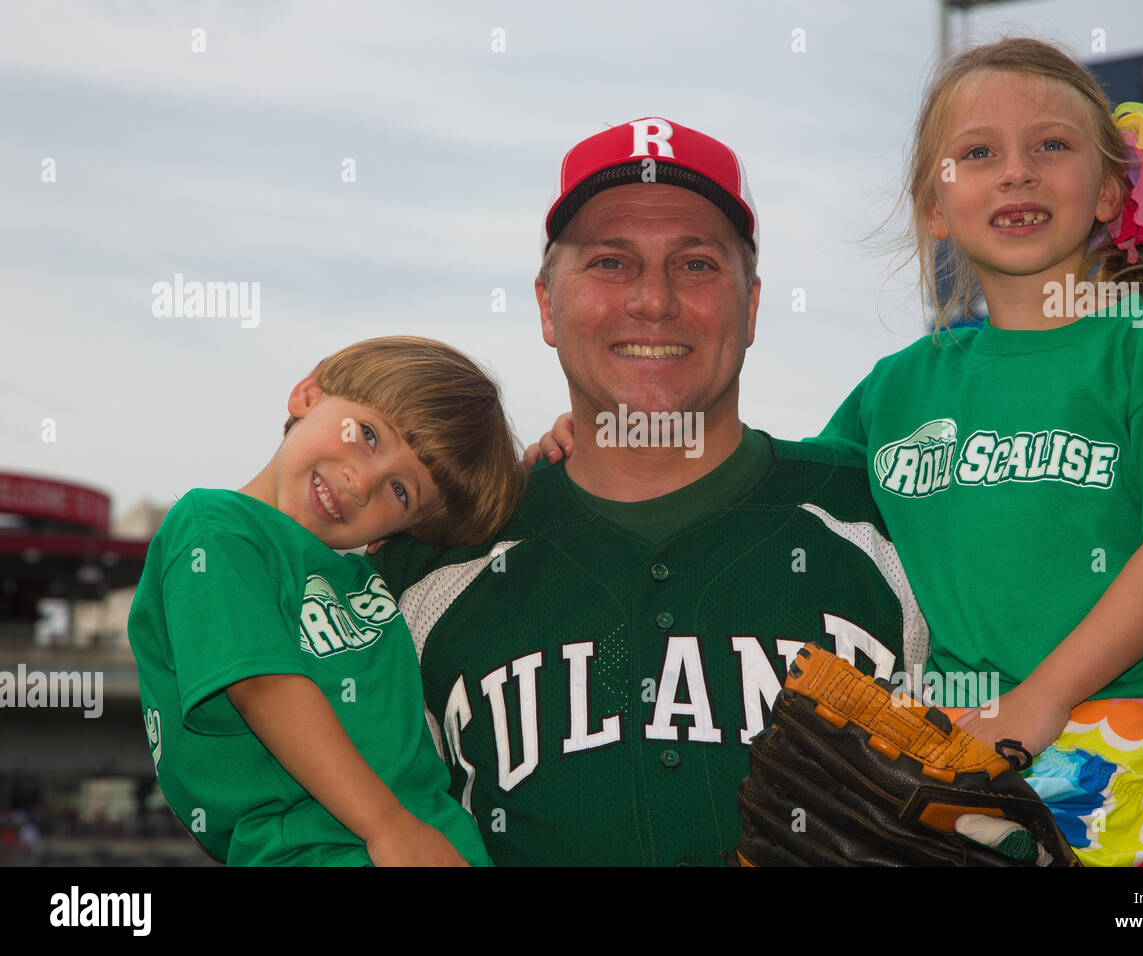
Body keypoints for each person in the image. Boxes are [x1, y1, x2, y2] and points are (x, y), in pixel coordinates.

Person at [371, 117, 929, 866]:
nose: (654, 301)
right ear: (545, 304)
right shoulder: (429, 564)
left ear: (753, 305)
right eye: (610, 262)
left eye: (696, 264)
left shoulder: (890, 520)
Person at [814, 40, 1143, 866]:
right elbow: (786, 503)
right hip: (956, 741)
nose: (1017, 171)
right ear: (933, 206)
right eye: (978, 153)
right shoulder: (896, 389)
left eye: (1051, 145)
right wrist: (595, 449)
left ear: (1107, 191)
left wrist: (1041, 699)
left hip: (1127, 730)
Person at [127, 336, 524, 866]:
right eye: (366, 435)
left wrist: (550, 460)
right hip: (321, 849)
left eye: (400, 493)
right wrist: (386, 827)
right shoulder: (214, 527)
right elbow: (263, 687)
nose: (362, 484)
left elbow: (483, 531)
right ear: (308, 395)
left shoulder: (360, 573)